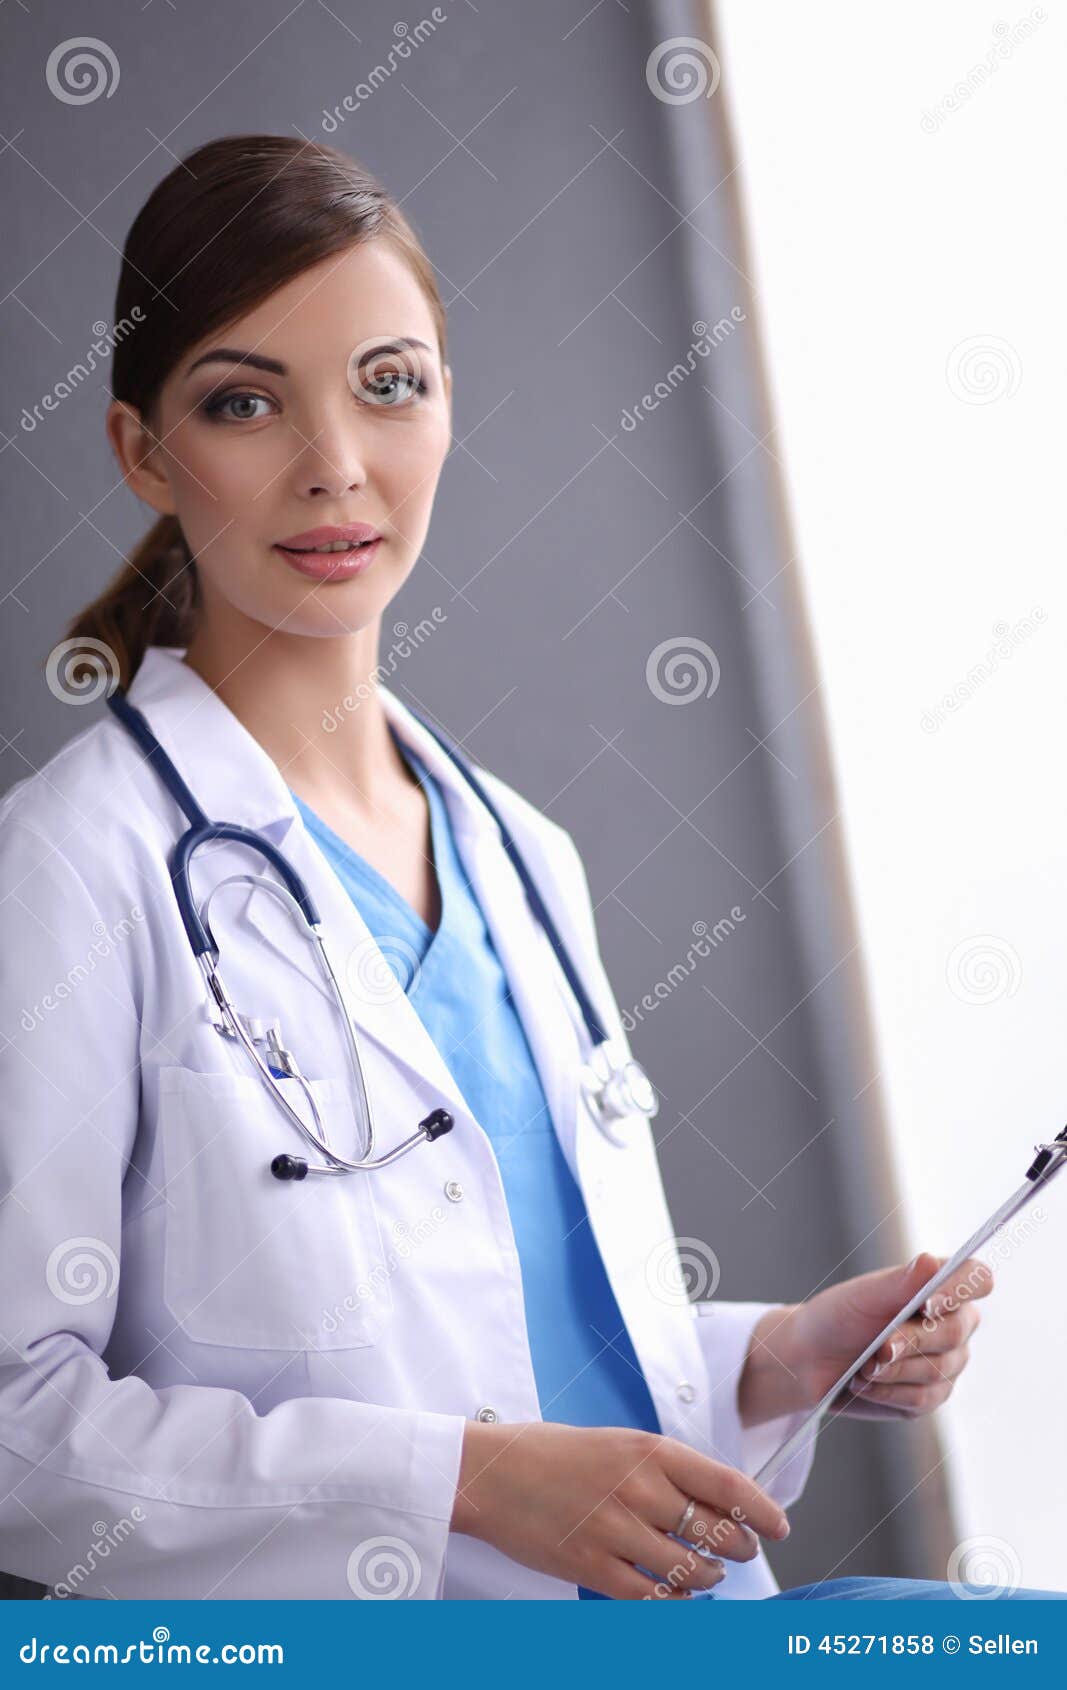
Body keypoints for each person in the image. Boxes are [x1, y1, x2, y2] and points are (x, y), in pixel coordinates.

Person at [0, 134, 1054, 1603]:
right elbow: (16, 1431)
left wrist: (776, 1354)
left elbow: (532, 1318)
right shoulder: (71, 869)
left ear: (446, 402)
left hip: (680, 1620)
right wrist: (465, 1481)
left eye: (389, 383)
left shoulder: (518, 852)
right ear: (143, 452)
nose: (335, 466)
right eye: (246, 402)